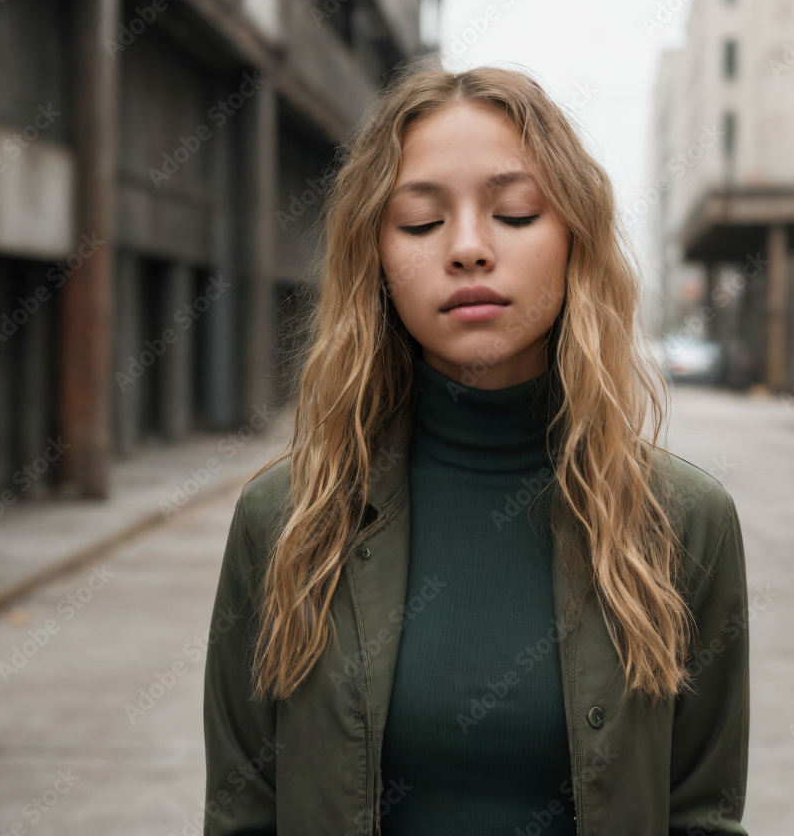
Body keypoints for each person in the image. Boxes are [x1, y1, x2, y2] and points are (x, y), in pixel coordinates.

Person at [201, 63, 750, 836]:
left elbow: (702, 818)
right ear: (376, 260)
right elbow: (241, 817)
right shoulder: (285, 520)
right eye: (420, 222)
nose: (466, 248)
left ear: (575, 239)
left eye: (515, 213)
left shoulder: (684, 522)